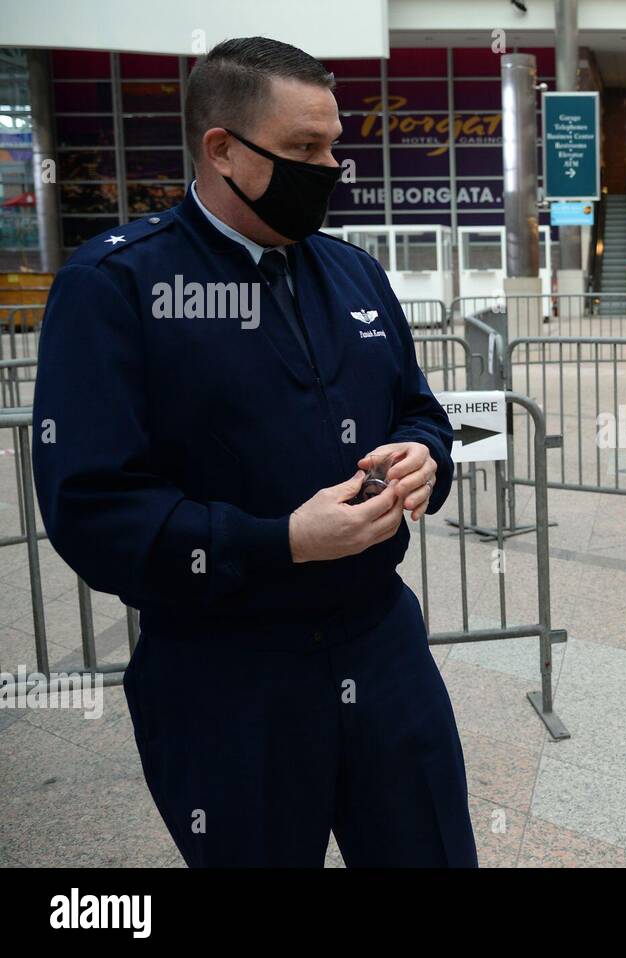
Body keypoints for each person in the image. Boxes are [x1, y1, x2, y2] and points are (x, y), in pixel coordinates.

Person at [32, 37, 478, 867]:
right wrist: (278, 543)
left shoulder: (352, 273)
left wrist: (426, 455)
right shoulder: (116, 287)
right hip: (225, 673)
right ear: (222, 149)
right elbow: (92, 511)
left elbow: (420, 410)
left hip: (382, 647)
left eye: (334, 142)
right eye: (305, 149)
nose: (332, 165)